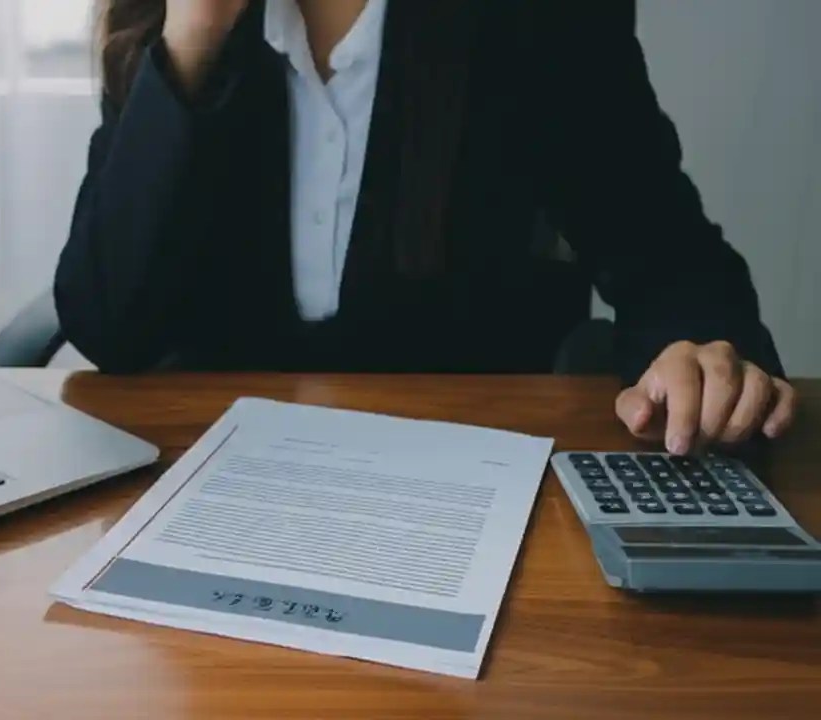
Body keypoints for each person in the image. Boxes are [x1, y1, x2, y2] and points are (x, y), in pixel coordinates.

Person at [53, 0, 797, 454]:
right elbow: (109, 323)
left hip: (467, 494)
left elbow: (670, 260)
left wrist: (698, 357)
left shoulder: (540, 16)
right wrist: (195, 34)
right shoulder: (171, 18)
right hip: (212, 483)